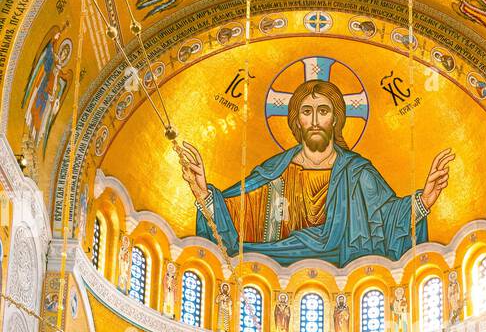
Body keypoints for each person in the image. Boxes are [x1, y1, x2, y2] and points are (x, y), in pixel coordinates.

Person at [180, 79, 452, 266]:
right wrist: (203, 193)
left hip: (348, 275)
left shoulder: (357, 172)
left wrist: (425, 200)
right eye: (306, 112)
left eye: (323, 111)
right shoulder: (274, 172)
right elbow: (231, 219)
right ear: (296, 120)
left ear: (335, 118)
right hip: (275, 273)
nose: (313, 121)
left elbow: (391, 218)